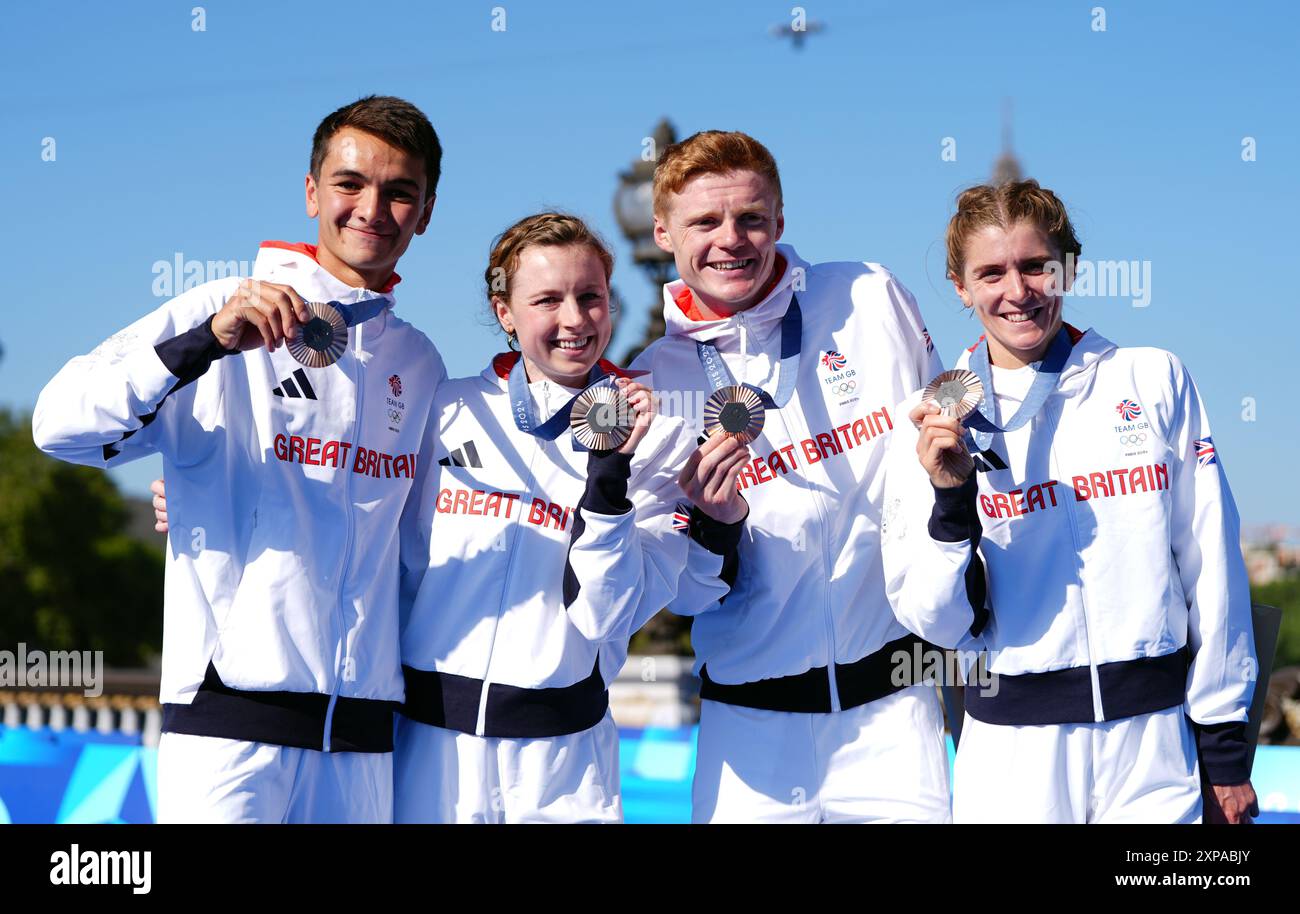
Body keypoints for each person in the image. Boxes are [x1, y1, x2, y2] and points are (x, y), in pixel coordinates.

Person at [32, 95, 445, 823]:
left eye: (399, 191)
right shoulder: (223, 306)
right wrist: (205, 344)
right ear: (312, 191)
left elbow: (423, 551)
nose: (373, 208)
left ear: (426, 210)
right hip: (227, 728)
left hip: (362, 743)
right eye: (350, 184)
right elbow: (58, 425)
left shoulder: (418, 362)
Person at [880, 179, 1259, 823]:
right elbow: (936, 622)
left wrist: (1223, 747)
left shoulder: (1152, 377)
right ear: (959, 286)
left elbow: (1211, 564)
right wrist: (951, 501)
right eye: (991, 272)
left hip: (1153, 745)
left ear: (1069, 268)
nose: (1017, 291)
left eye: (1035, 266)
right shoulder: (933, 414)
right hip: (1011, 754)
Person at [630, 131, 952, 823]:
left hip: (895, 713)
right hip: (750, 730)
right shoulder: (655, 381)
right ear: (663, 232)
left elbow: (945, 458)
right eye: (704, 222)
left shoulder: (870, 296)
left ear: (780, 218)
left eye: (750, 217)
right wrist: (716, 528)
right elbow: (683, 595)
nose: (731, 240)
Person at [392, 213, 748, 823]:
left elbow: (607, 612)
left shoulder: (659, 441)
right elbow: (369, 536)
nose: (575, 320)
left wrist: (608, 474)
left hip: (564, 763)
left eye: (591, 298)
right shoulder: (445, 411)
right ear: (504, 311)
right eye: (547, 300)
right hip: (429, 752)